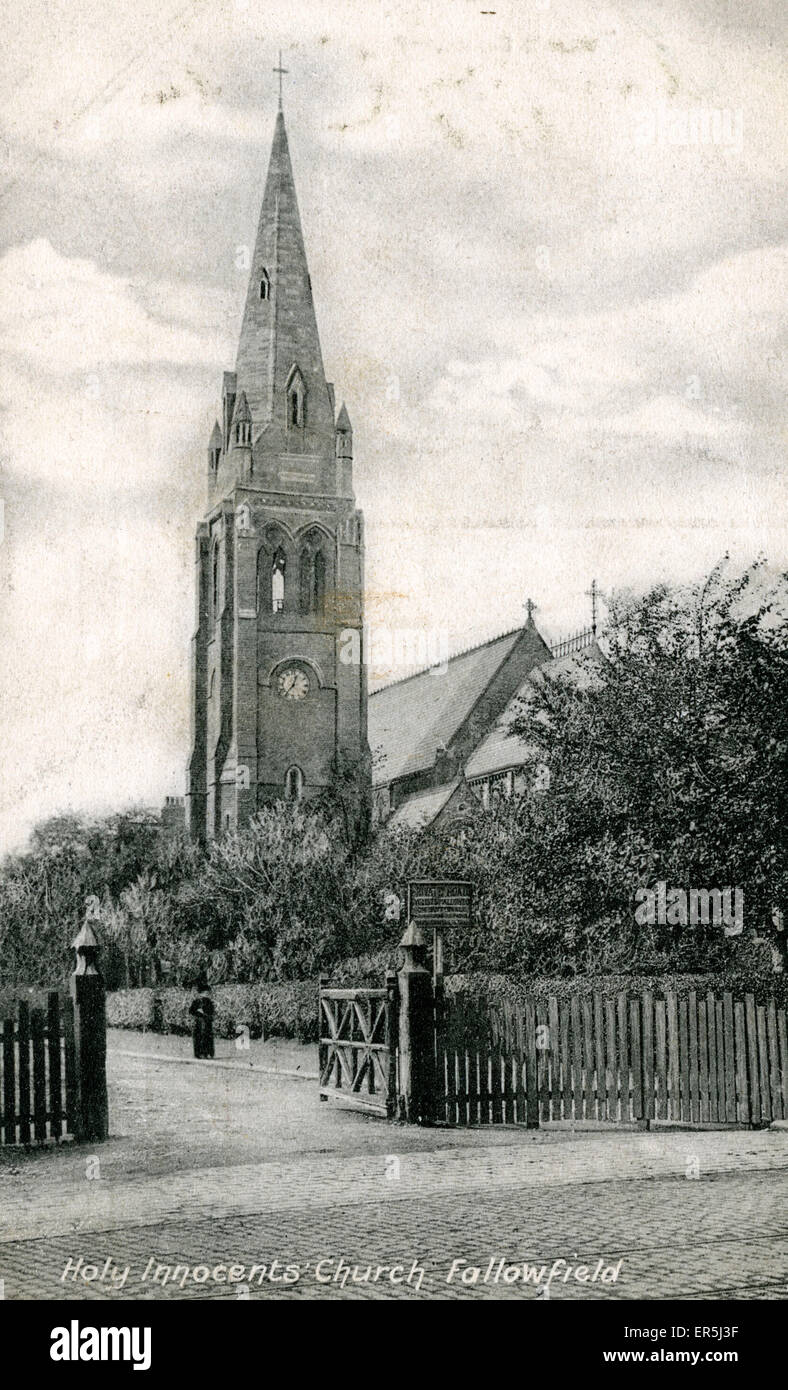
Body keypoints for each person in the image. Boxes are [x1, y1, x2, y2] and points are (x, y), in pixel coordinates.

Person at [189, 976, 215, 1059]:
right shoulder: (196, 1001)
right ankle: (199, 1053)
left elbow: (211, 1011)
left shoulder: (209, 1002)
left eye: (208, 993)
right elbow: (191, 1011)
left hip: (207, 1022)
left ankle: (208, 1052)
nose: (207, 994)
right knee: (198, 1038)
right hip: (198, 1022)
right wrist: (198, 1012)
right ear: (201, 993)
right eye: (205, 993)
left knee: (207, 1038)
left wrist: (206, 1013)